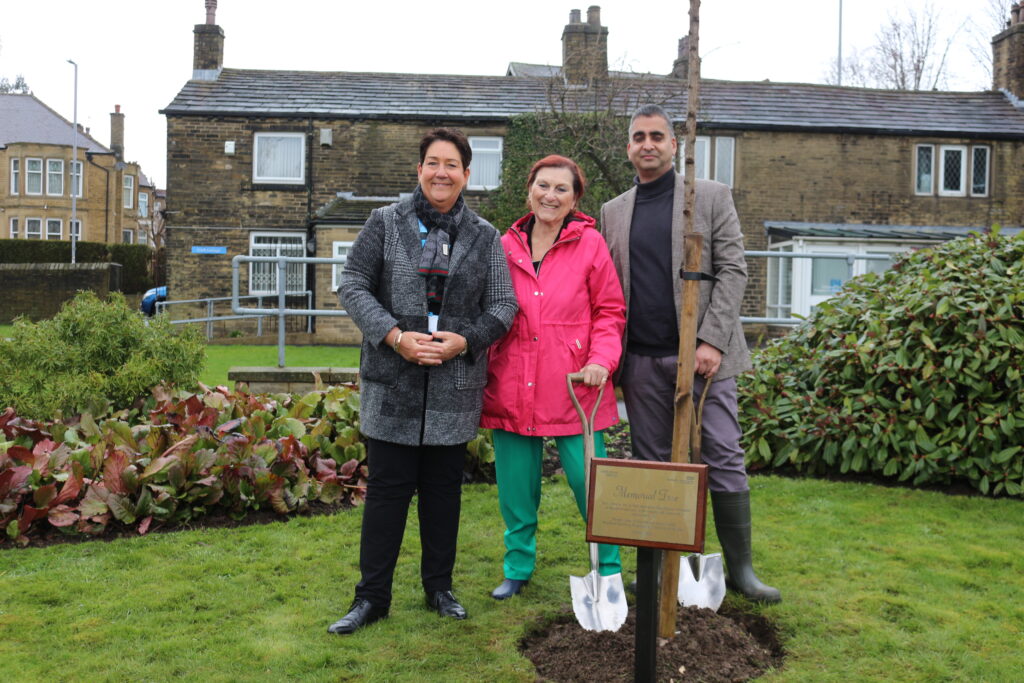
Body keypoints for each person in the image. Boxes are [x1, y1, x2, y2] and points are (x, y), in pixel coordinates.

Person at [331, 128, 518, 634]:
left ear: (466, 174)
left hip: (453, 385)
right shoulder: (384, 222)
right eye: (433, 162)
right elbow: (353, 284)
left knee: (443, 495)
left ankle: (439, 589)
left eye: (452, 164)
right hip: (392, 380)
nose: (441, 172)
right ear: (419, 170)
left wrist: (465, 341)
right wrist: (394, 336)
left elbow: (504, 305)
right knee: (386, 495)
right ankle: (371, 598)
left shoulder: (484, 235)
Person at [600, 105, 781, 603]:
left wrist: (712, 340)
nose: (648, 144)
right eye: (639, 136)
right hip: (641, 361)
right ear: (628, 147)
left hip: (705, 359)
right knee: (653, 466)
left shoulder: (710, 196)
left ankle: (742, 571)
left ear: (674, 145)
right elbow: (611, 287)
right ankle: (663, 572)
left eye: (657, 136)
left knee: (722, 453)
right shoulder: (613, 211)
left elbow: (735, 270)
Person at [481, 155, 626, 600]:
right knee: (516, 488)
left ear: (575, 199)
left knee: (590, 484)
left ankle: (609, 569)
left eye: (562, 188)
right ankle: (517, 566)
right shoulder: (503, 245)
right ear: (529, 190)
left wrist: (602, 360)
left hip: (576, 384)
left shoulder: (591, 245)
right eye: (543, 185)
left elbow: (610, 311)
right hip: (512, 381)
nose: (550, 195)